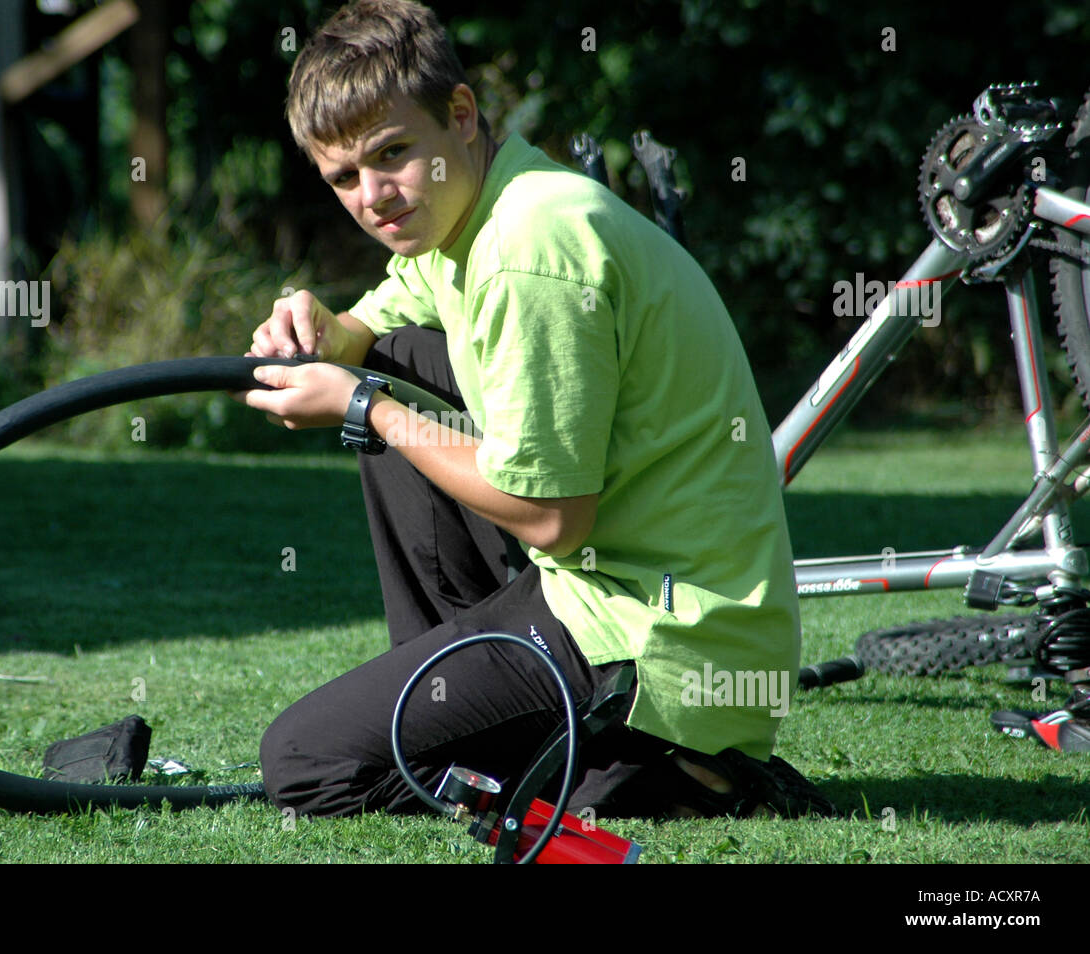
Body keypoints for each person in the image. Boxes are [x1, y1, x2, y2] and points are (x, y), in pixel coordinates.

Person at [235, 0, 833, 821]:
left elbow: (552, 518)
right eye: (344, 177)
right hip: (628, 600)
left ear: (460, 114)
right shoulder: (477, 209)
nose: (375, 197)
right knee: (401, 355)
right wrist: (319, 328)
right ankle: (524, 734)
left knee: (301, 763)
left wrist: (365, 407)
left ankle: (665, 766)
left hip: (658, 635)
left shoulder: (528, 249)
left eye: (393, 154)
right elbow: (381, 325)